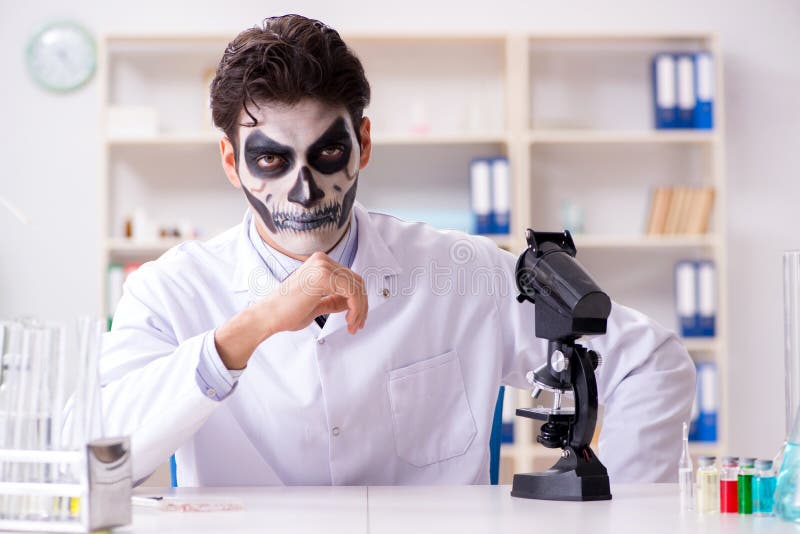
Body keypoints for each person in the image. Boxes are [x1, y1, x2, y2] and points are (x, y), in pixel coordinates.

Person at [97, 14, 694, 486]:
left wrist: (620, 511)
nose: (303, 192)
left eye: (327, 154)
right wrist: (248, 331)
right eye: (272, 159)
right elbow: (102, 455)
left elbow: (651, 362)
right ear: (232, 162)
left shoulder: (467, 272)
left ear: (362, 144)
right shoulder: (171, 290)